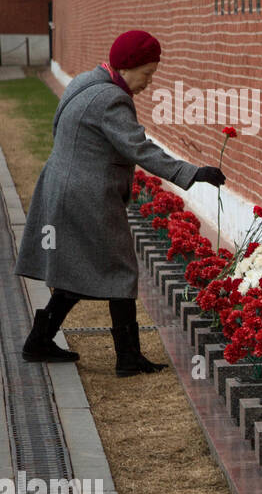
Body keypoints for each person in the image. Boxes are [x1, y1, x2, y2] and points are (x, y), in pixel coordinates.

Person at [14, 29, 227, 377]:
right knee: (120, 268)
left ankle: (39, 341)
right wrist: (193, 173)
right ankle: (127, 358)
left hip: (63, 185)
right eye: (148, 73)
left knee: (77, 268)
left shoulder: (85, 81)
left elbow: (59, 128)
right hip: (86, 195)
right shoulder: (110, 99)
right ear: (128, 67)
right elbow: (139, 148)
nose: (149, 82)